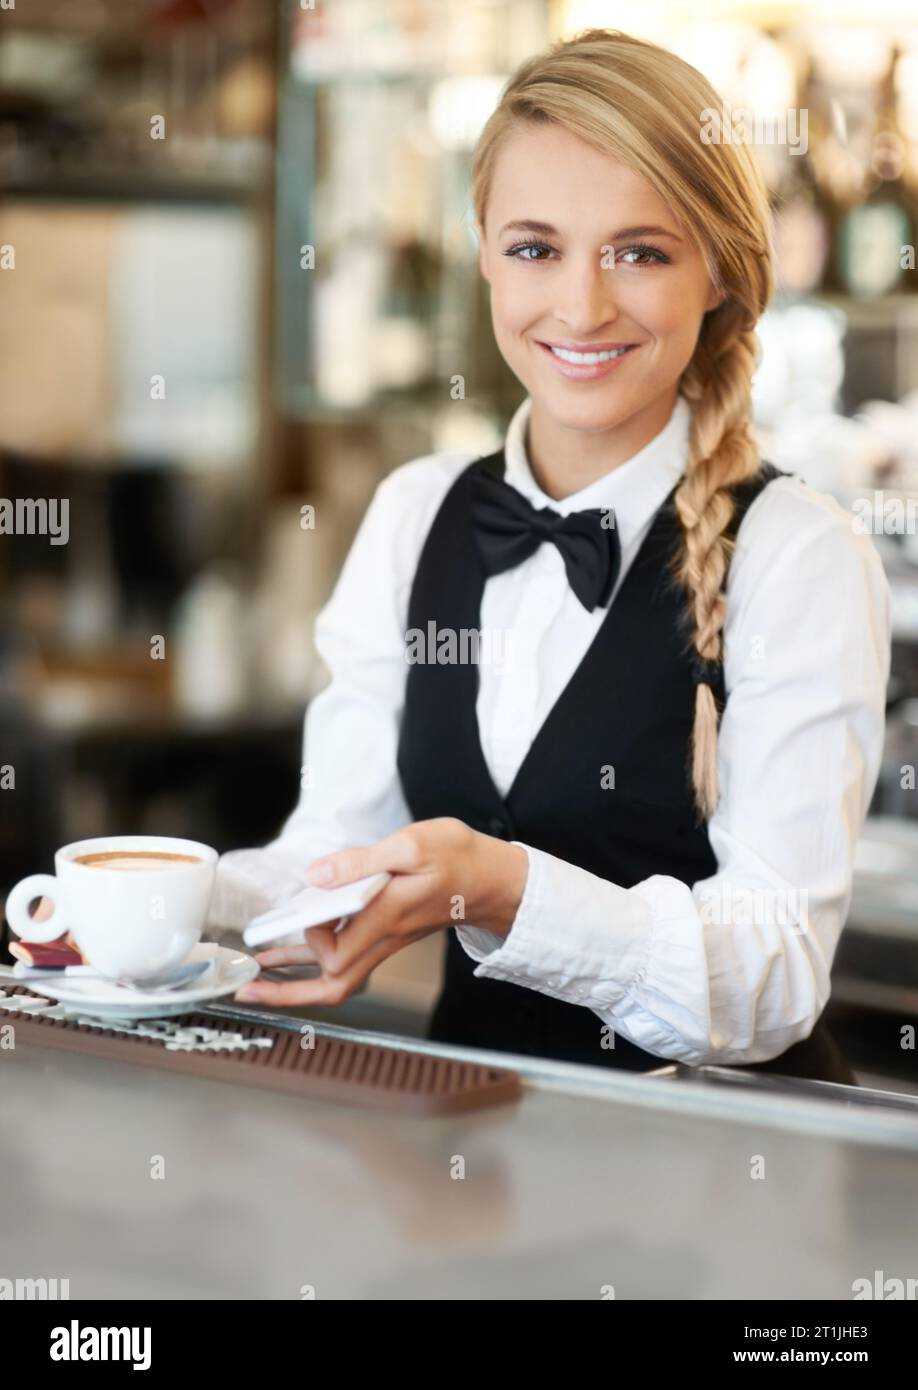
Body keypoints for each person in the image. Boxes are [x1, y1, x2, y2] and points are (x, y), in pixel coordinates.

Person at [211, 28, 890, 1081]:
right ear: (482, 249)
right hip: (475, 1151)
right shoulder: (416, 512)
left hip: (731, 1182)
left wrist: (504, 887)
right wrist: (163, 904)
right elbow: (328, 860)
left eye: (641, 251)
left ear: (715, 270)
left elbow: (771, 977)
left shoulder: (798, 554)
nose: (581, 305)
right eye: (536, 248)